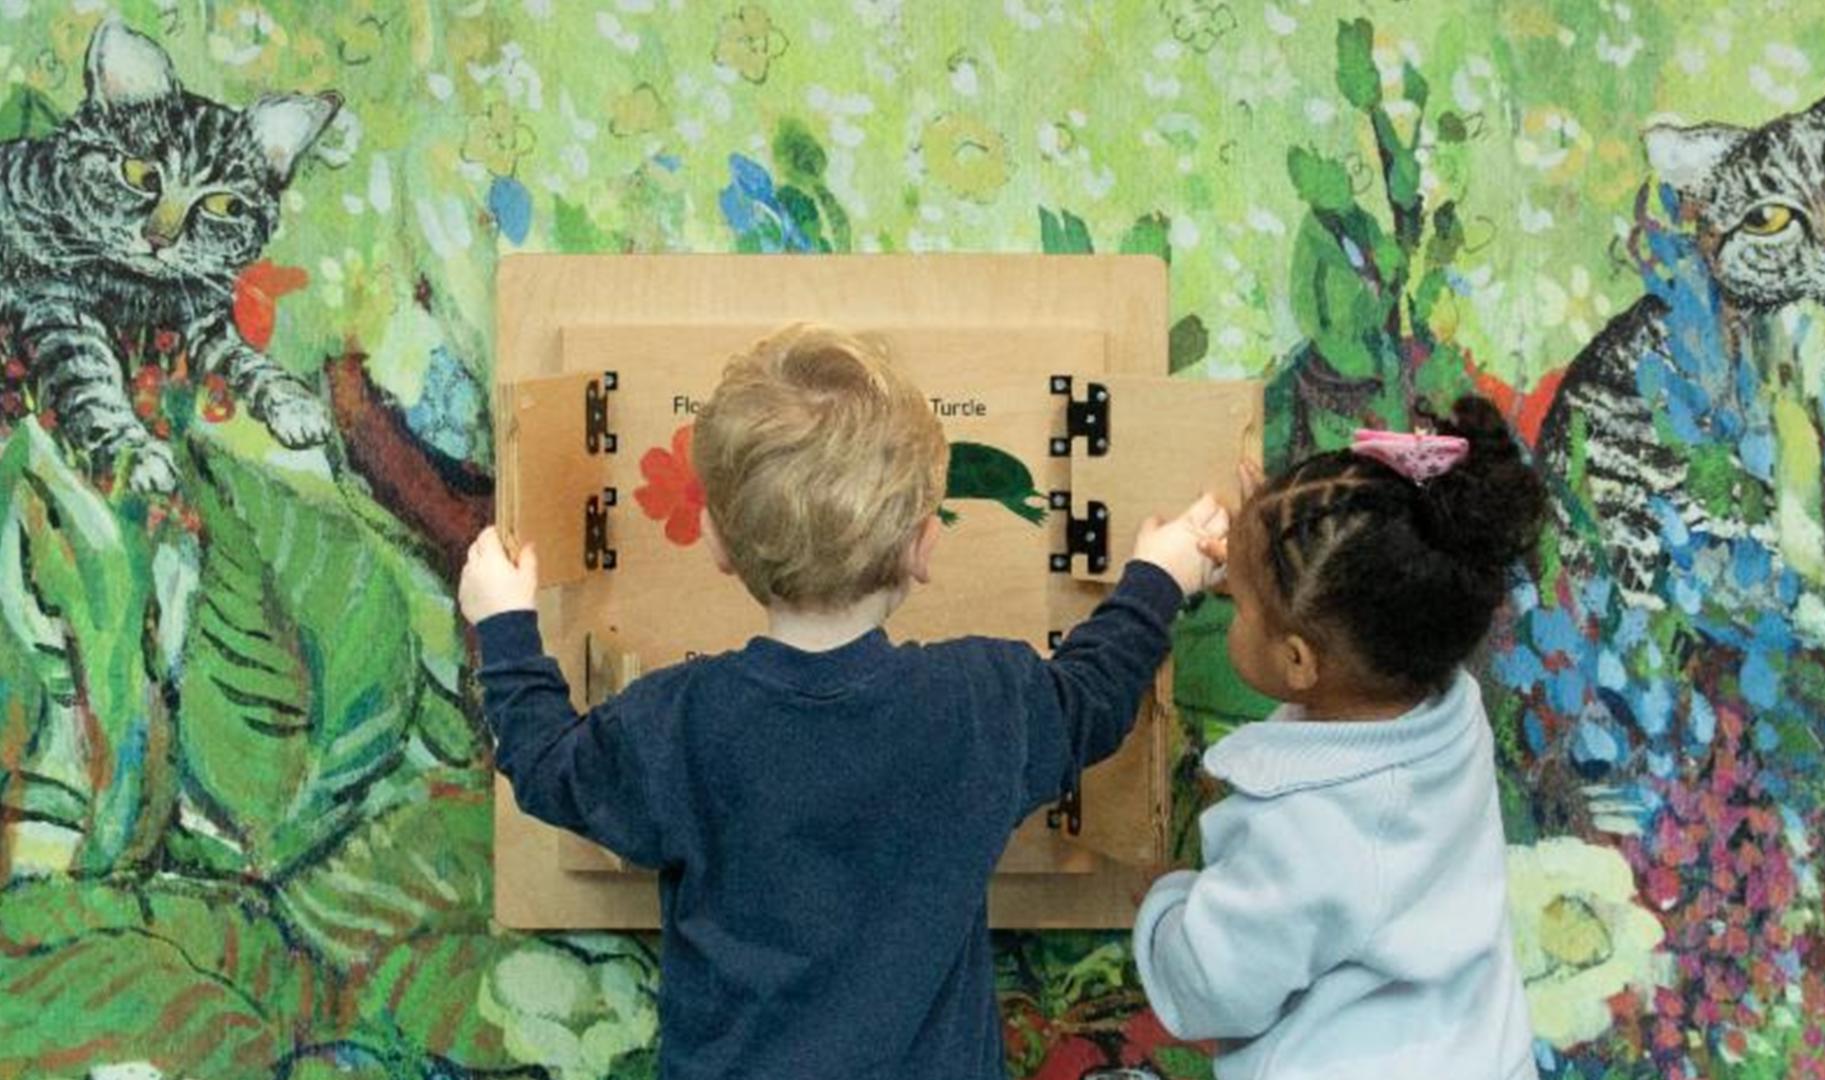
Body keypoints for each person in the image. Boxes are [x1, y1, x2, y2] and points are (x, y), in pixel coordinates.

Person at [459, 324, 1229, 1078]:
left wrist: (506, 627)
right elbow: (1095, 695)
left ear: (718, 544)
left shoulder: (678, 722)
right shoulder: (980, 702)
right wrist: (1157, 578)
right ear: (923, 545)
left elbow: (547, 763)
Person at [1133, 396, 1547, 1080]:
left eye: (1238, 605)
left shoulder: (1310, 835)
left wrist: (1166, 903)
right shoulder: (1444, 699)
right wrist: (1265, 562)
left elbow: (1207, 986)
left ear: (1299, 662)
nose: (1231, 608)